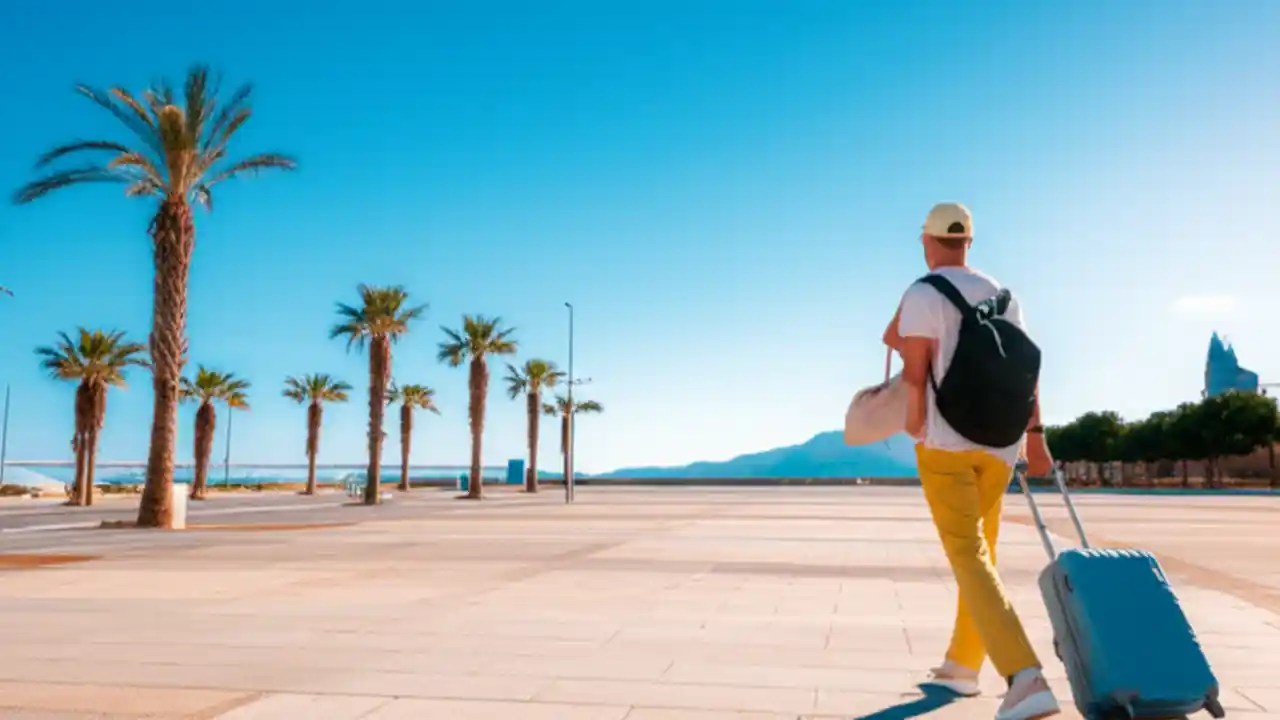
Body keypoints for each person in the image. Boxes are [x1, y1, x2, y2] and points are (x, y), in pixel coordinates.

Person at [883, 202, 1059, 720]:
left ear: (926, 240)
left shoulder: (922, 292)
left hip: (947, 443)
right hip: (1000, 445)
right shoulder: (1005, 296)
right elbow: (1027, 372)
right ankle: (963, 665)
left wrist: (917, 427)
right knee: (981, 554)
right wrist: (1036, 437)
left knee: (967, 554)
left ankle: (1024, 678)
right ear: (970, 241)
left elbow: (913, 372)